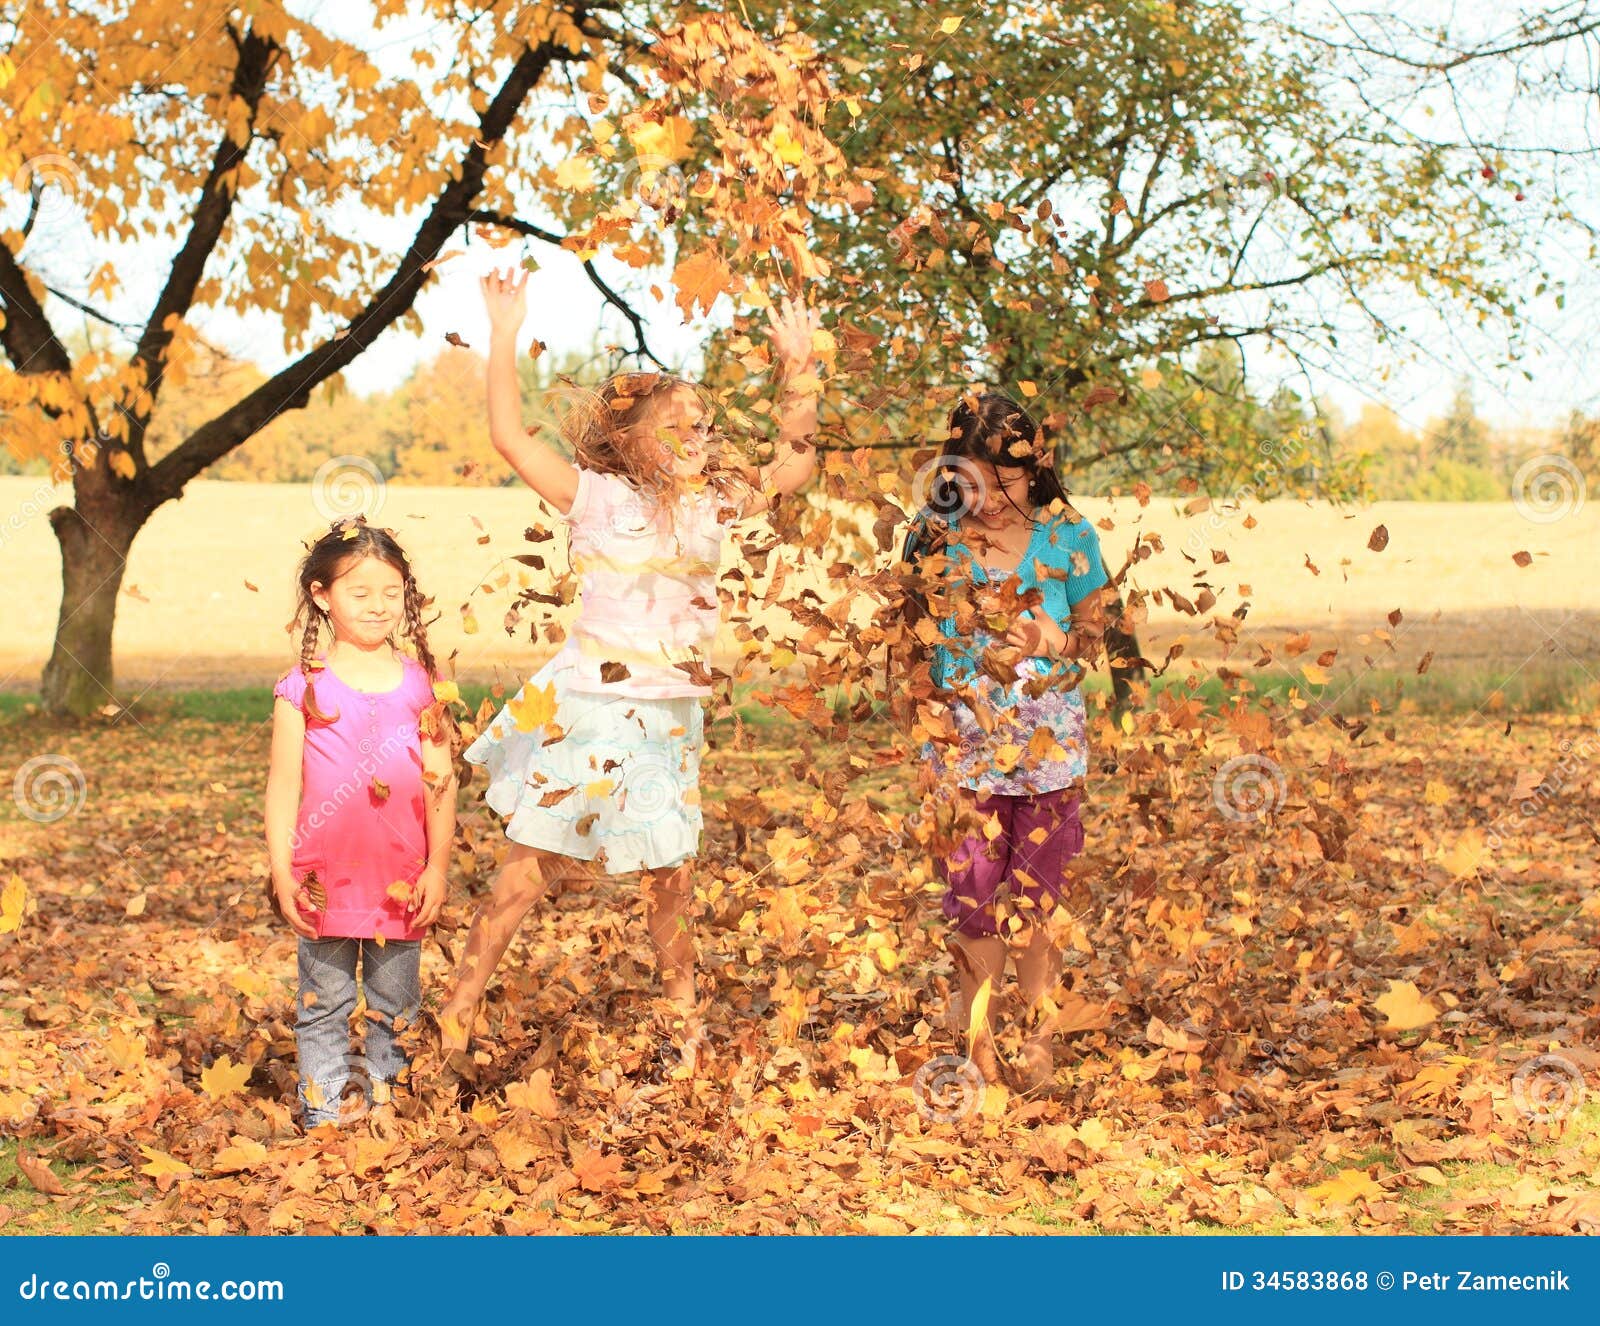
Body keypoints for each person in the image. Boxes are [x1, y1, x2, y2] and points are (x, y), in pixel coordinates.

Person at [436, 266, 821, 1070]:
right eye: (676, 425)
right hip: (592, 710)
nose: (697, 435)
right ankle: (454, 1024)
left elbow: (796, 466)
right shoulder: (598, 496)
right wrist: (505, 334)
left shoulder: (714, 501)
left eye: (705, 424)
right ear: (630, 438)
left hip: (671, 718)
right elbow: (511, 438)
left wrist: (801, 371)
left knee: (670, 882)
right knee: (525, 876)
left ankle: (685, 1036)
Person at [900, 391, 1111, 1091]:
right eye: (974, 481)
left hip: (1049, 754)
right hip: (963, 755)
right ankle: (978, 1040)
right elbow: (911, 646)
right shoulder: (934, 536)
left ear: (1037, 466)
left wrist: (1056, 638)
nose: (991, 499)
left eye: (1009, 481)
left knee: (1039, 899)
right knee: (973, 897)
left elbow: (1097, 636)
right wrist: (922, 724)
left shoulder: (1069, 535)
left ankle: (1041, 1036)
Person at [264, 519, 456, 1127]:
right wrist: (280, 872)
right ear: (323, 596)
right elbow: (283, 787)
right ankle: (323, 1113)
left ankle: (387, 1110)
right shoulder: (303, 688)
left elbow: (441, 784)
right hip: (323, 879)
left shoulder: (422, 686)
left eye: (391, 593)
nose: (379, 607)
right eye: (360, 593)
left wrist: (439, 867)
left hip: (401, 880)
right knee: (323, 1004)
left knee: (394, 1003)